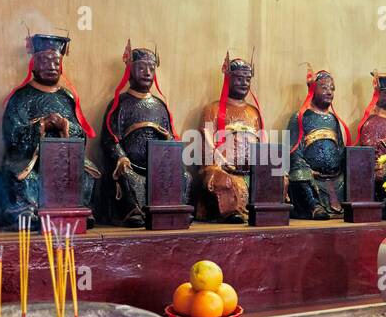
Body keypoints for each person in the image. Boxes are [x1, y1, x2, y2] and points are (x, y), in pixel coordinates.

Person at [0, 34, 99, 228]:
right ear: (33, 64)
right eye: (44, 61)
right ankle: (26, 212)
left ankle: (77, 210)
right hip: (31, 161)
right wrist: (40, 126)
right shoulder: (21, 97)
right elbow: (12, 135)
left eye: (55, 61)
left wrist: (64, 125)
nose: (51, 66)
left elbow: (81, 136)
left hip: (62, 161)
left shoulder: (67, 97)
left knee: (87, 172)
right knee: (25, 178)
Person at [99, 43, 187, 227]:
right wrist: (121, 157)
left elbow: (171, 139)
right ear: (130, 71)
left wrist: (168, 141)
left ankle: (175, 212)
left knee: (185, 176)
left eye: (151, 68)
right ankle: (135, 213)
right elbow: (109, 139)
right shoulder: (120, 103)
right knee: (126, 176)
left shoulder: (160, 106)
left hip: (158, 168)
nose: (147, 72)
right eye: (141, 67)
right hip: (131, 166)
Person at [196, 54, 264, 223]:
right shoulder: (212, 109)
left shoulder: (254, 112)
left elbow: (263, 144)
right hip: (222, 168)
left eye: (247, 79)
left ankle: (264, 212)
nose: (244, 83)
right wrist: (221, 161)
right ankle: (230, 213)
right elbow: (206, 143)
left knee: (279, 178)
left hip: (250, 170)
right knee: (223, 180)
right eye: (239, 79)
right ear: (228, 79)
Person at [286, 68, 351, 219]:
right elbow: (293, 150)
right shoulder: (299, 117)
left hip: (335, 177)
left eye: (332, 89)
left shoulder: (333, 119)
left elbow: (340, 148)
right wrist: (306, 169)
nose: (329, 92)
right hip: (311, 176)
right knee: (299, 176)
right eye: (324, 88)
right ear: (313, 89)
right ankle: (314, 206)